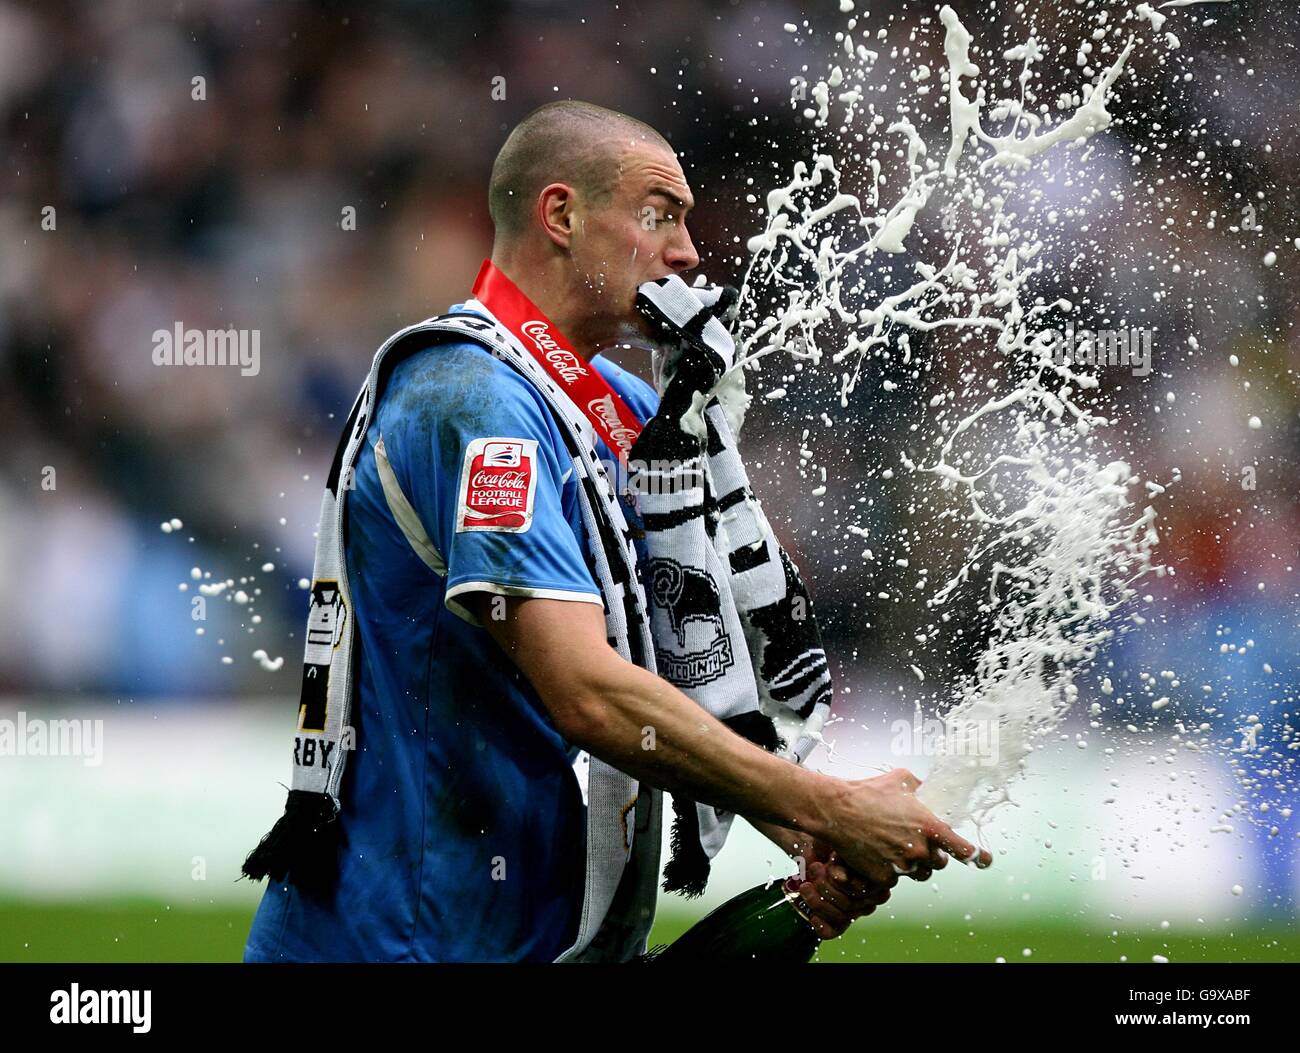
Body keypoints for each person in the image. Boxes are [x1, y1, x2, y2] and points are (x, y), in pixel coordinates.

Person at [242, 100, 991, 964]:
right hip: (394, 938)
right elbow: (587, 690)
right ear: (561, 215)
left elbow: (685, 658)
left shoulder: (631, 415)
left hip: (523, 931)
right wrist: (825, 804)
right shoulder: (472, 399)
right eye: (659, 214)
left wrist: (804, 830)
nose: (687, 252)